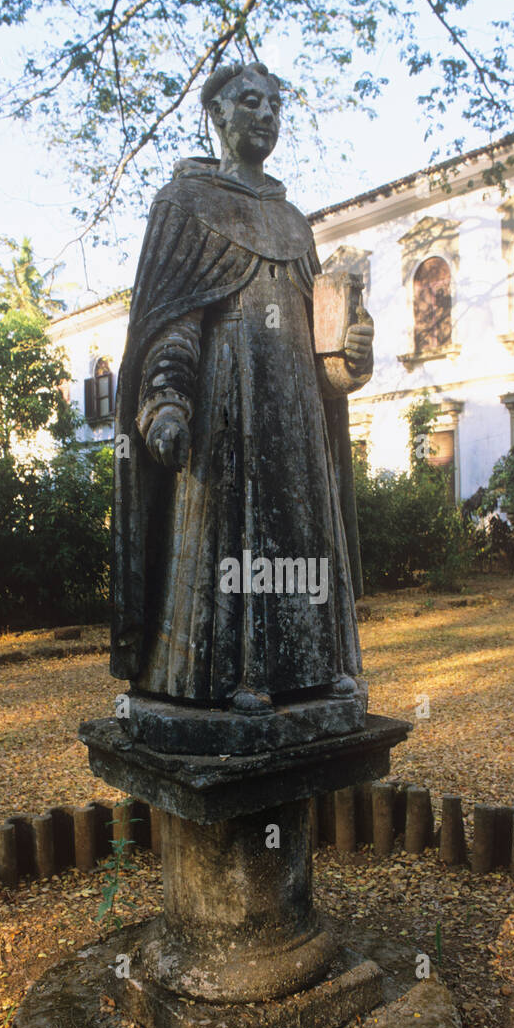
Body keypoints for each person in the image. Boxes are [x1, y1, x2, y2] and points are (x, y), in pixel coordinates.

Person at [111, 60, 373, 715]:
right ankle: (225, 678)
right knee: (231, 537)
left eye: (275, 105)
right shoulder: (185, 204)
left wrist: (351, 355)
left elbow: (327, 354)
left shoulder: (294, 222)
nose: (264, 115)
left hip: (298, 421)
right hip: (227, 412)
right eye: (248, 101)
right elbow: (171, 319)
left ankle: (319, 668)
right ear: (217, 114)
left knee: (300, 530)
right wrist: (166, 400)